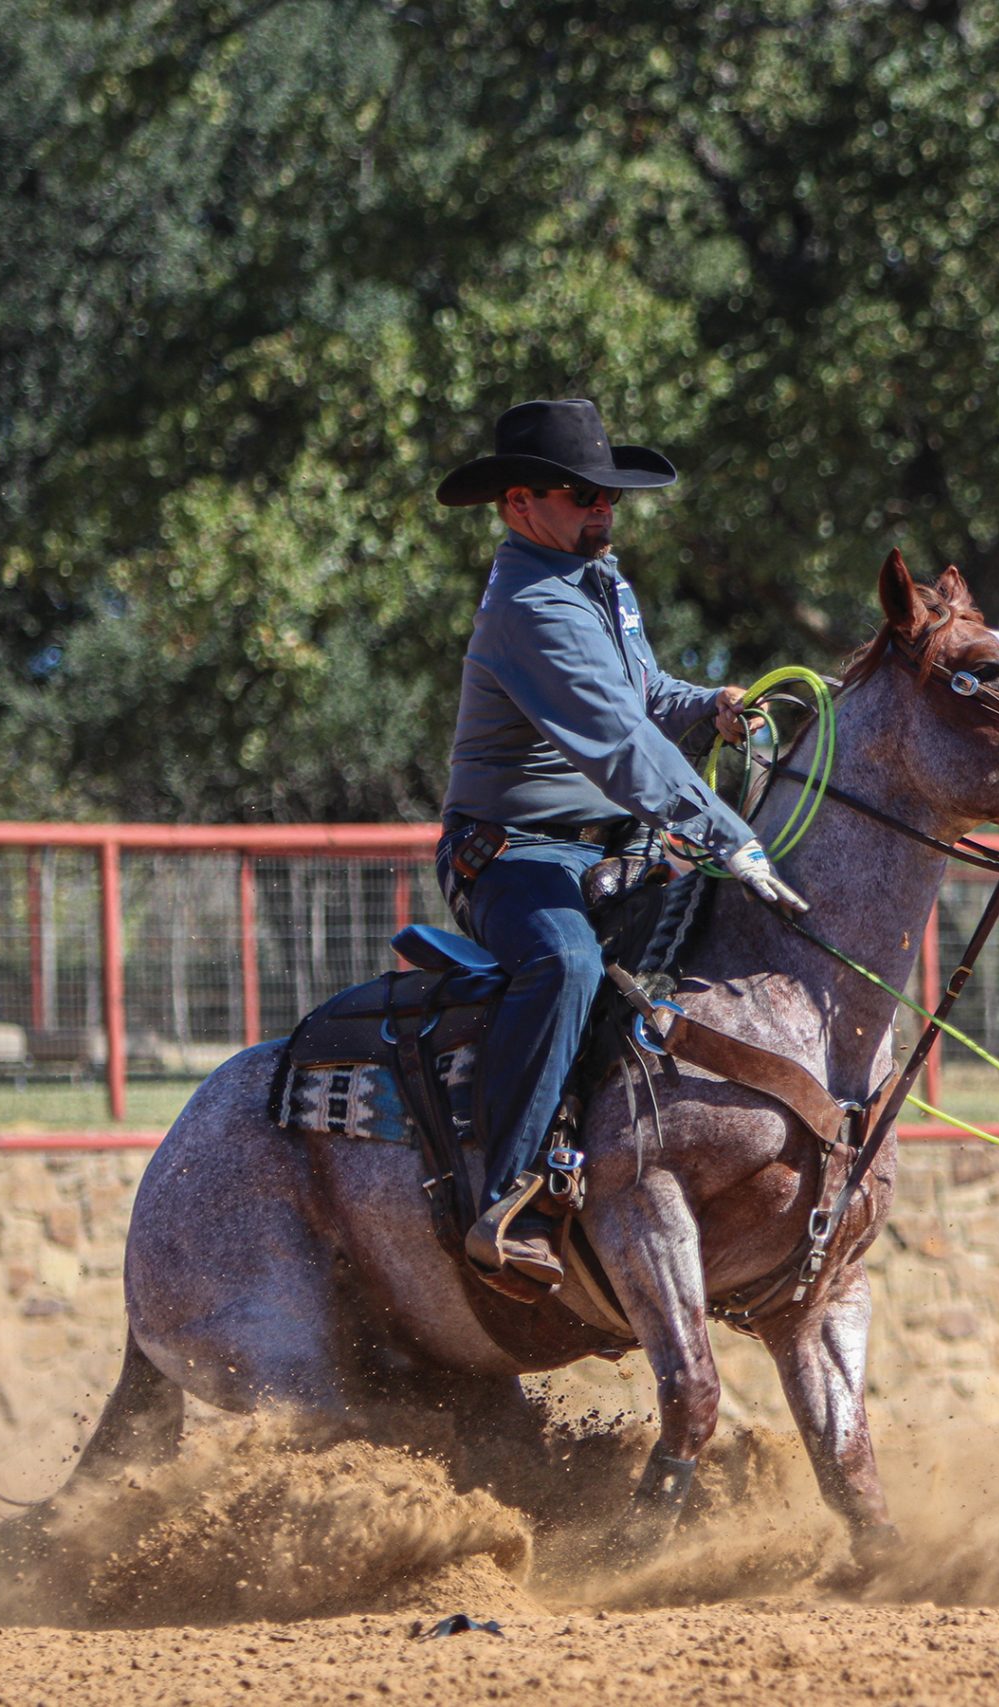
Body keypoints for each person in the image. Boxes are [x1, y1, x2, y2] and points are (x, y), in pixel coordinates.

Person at [432, 398, 805, 1288]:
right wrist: (728, 834)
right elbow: (614, 740)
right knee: (563, 963)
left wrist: (704, 704)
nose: (601, 509)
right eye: (578, 494)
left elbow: (641, 698)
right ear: (518, 504)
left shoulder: (598, 580)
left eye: (608, 495)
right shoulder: (530, 604)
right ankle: (510, 1195)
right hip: (514, 855)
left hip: (615, 846)